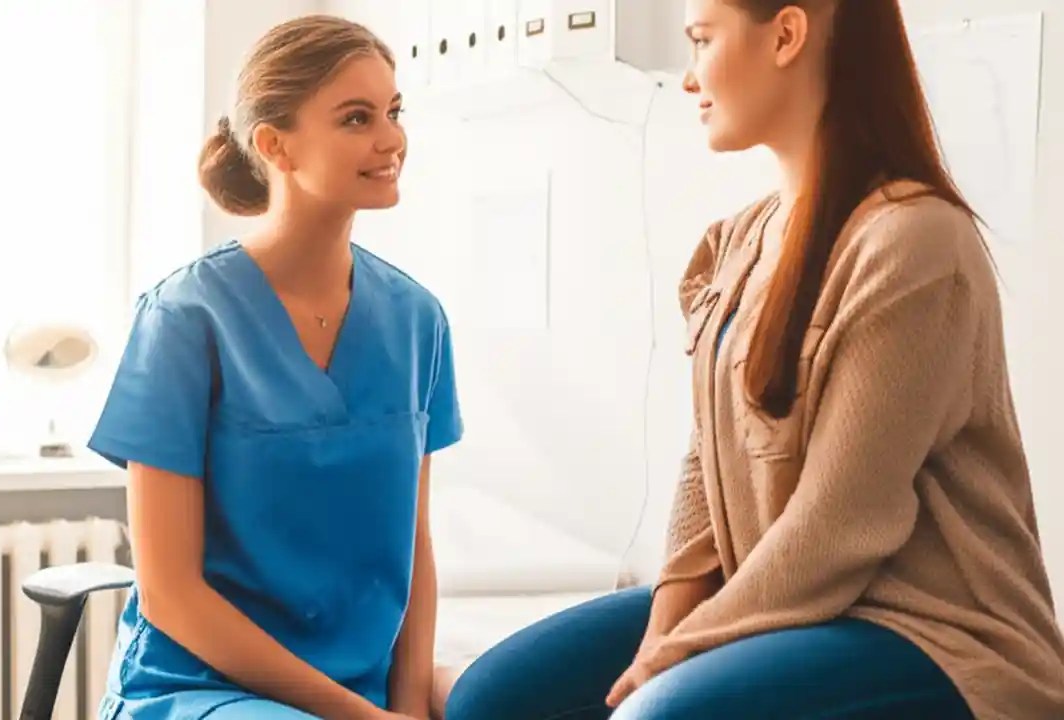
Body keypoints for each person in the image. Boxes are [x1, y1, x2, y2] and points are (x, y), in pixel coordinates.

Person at [440, 1, 1064, 718]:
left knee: (658, 715)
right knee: (490, 702)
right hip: (774, 596)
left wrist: (670, 663)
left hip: (929, 634)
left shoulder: (915, 243)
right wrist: (660, 633)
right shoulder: (737, 242)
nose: (686, 78)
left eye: (702, 42)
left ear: (787, 34)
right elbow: (704, 466)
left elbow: (839, 528)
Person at [86, 15, 462, 720]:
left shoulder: (417, 319)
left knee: (518, 696)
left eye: (393, 111)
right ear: (273, 145)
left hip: (365, 686)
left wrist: (407, 708)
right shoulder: (184, 319)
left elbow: (416, 545)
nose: (391, 139)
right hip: (202, 687)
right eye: (357, 118)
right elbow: (169, 595)